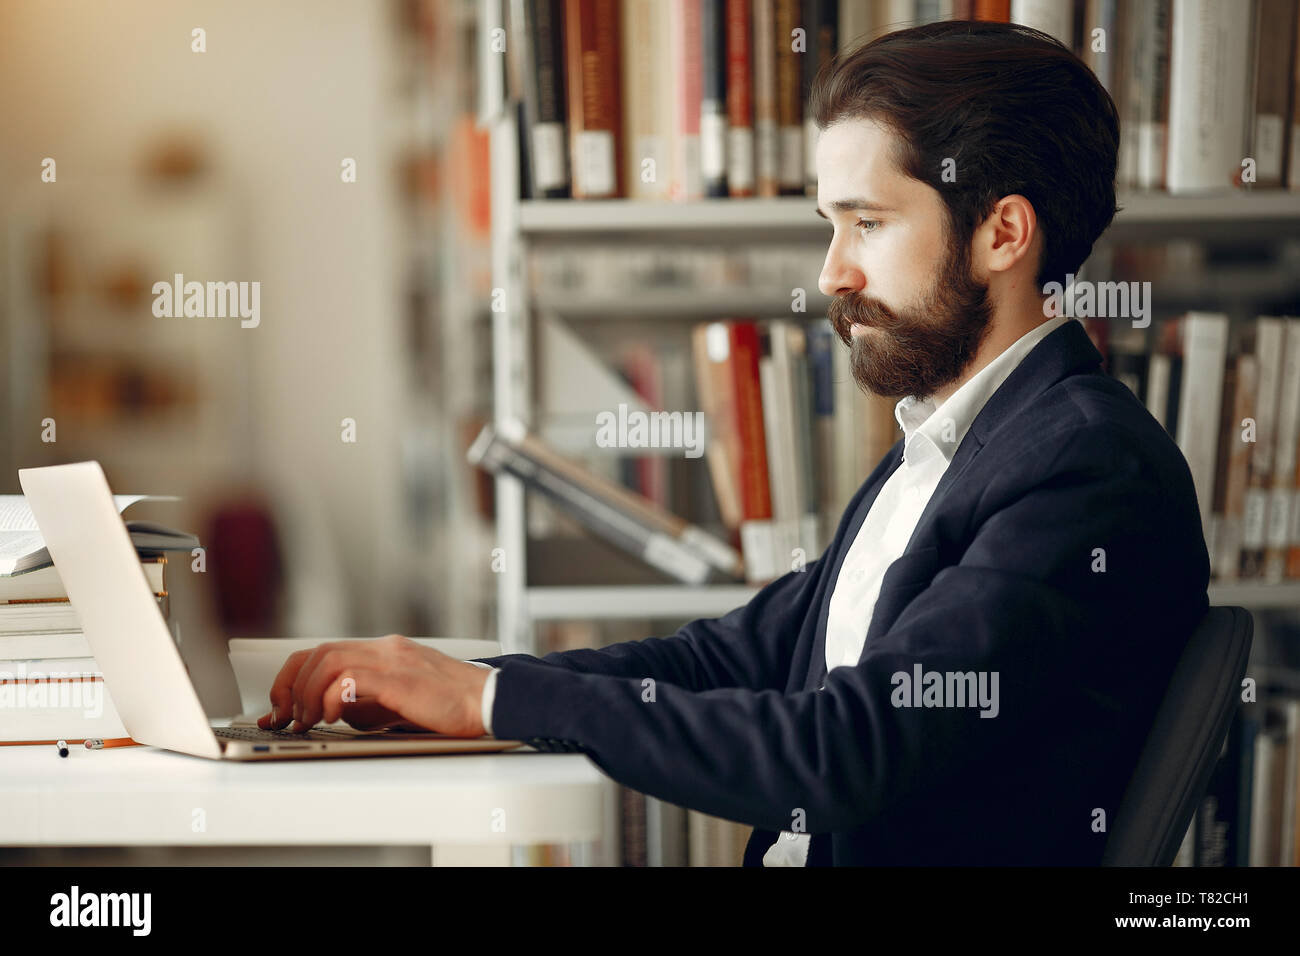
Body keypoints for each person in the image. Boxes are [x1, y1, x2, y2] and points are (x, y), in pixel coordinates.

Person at [259, 20, 1209, 866]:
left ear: (1003, 232)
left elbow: (848, 750)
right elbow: (732, 659)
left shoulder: (1084, 468)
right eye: (830, 227)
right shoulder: (953, 440)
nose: (832, 272)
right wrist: (462, 684)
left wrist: (493, 708)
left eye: (868, 224)